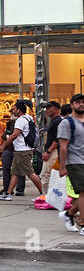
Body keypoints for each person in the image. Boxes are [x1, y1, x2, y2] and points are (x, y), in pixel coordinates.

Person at [0, 99, 43, 199]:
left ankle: (43, 193)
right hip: (22, 150)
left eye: (14, 109)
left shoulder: (20, 120)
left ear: (18, 110)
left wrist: (4, 145)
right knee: (15, 172)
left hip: (22, 151)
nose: (13, 110)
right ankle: (9, 194)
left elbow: (15, 135)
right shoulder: (28, 118)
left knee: (31, 173)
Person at [55, 94, 84, 232]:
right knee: (83, 193)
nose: (81, 105)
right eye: (78, 102)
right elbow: (63, 147)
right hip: (75, 162)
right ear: (72, 105)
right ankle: (83, 225)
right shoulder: (67, 123)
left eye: (83, 102)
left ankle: (69, 214)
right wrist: (62, 167)